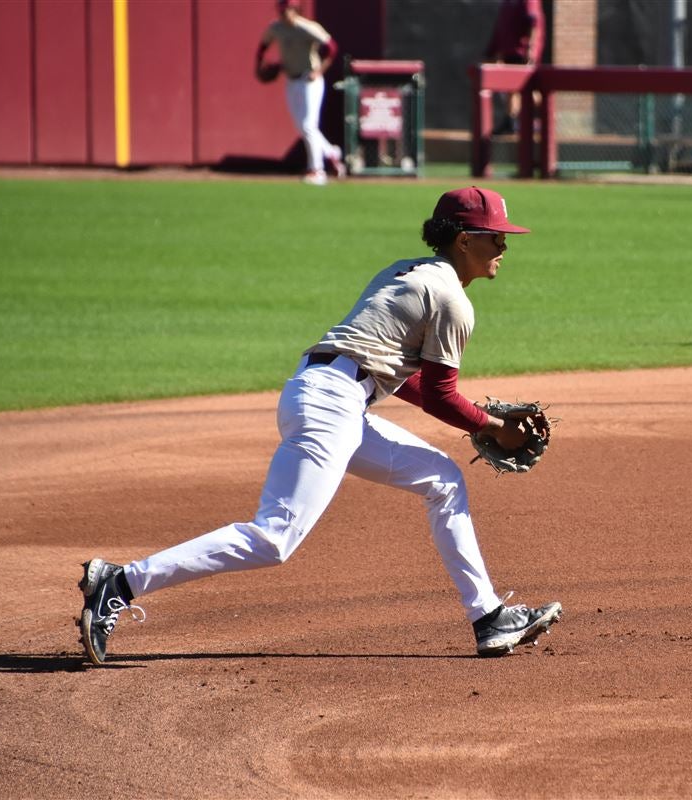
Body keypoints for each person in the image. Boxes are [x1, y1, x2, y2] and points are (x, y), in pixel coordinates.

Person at [77, 187, 563, 663]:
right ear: (463, 240)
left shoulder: (405, 271)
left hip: (328, 396)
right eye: (494, 235)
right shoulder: (452, 299)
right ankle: (119, 583)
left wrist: (484, 420)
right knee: (275, 537)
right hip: (331, 405)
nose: (503, 246)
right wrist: (492, 425)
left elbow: (395, 376)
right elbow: (438, 393)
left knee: (443, 480)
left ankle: (488, 617)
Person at [256, 0, 346, 185]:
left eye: (286, 9)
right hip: (291, 79)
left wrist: (319, 71)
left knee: (307, 125)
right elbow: (262, 46)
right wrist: (258, 66)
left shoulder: (307, 27)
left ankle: (317, 171)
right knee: (302, 127)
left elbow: (332, 48)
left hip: (309, 80)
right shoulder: (275, 28)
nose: (283, 13)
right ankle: (331, 152)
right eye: (280, 9)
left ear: (294, 9)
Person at [483, 0, 545, 136]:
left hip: (522, 52)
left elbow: (532, 21)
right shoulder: (506, 3)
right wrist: (493, 51)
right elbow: (501, 27)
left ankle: (547, 116)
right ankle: (510, 121)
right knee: (512, 90)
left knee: (525, 90)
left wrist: (530, 48)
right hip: (509, 52)